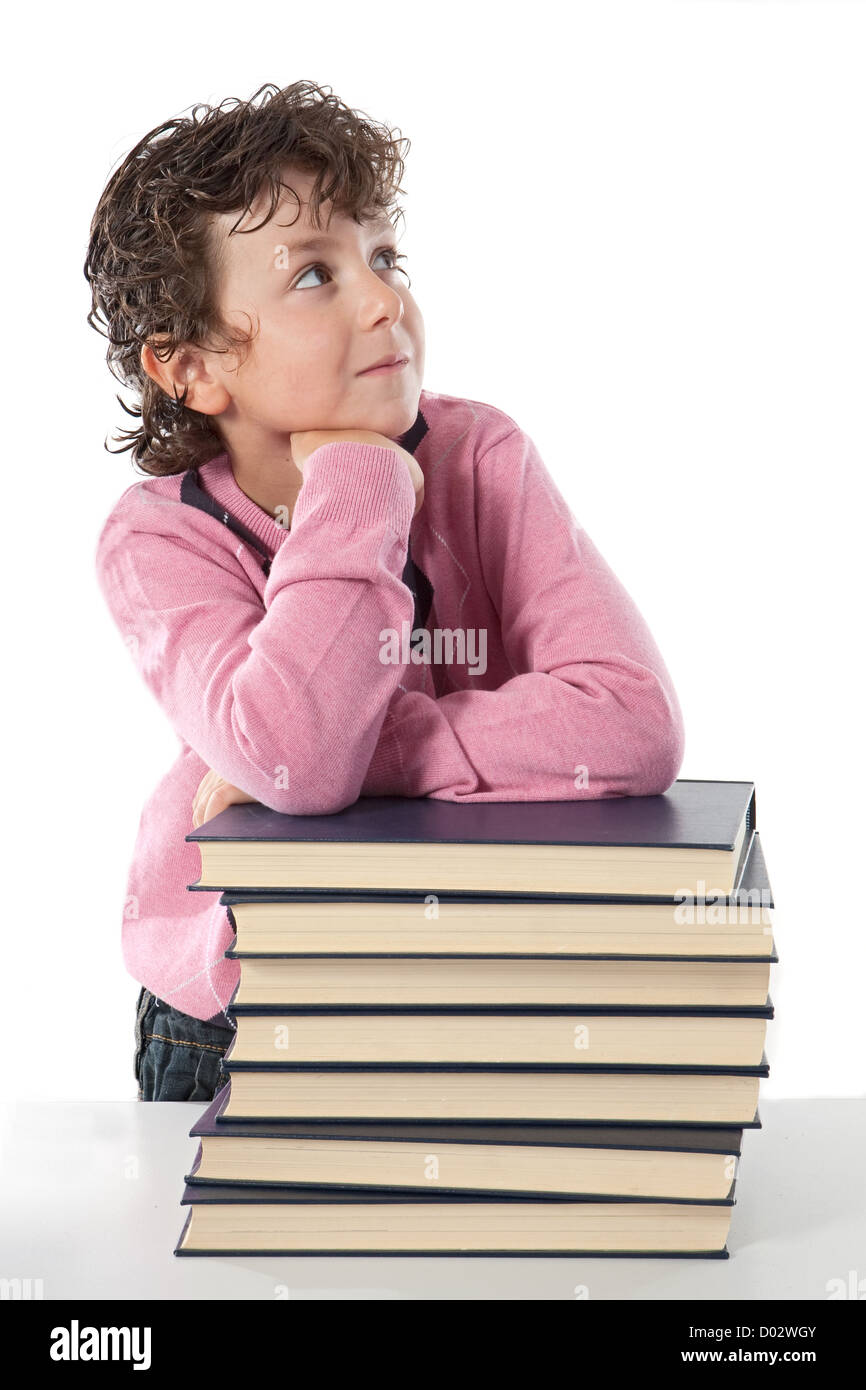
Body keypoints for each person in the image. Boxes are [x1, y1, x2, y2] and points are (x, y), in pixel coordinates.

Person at [86, 80, 686, 1102]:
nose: (383, 300)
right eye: (314, 274)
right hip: (245, 997)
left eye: (384, 255)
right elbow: (293, 751)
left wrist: (379, 753)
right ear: (190, 367)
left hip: (467, 968)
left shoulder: (480, 455)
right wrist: (360, 479)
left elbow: (630, 723)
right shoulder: (157, 538)